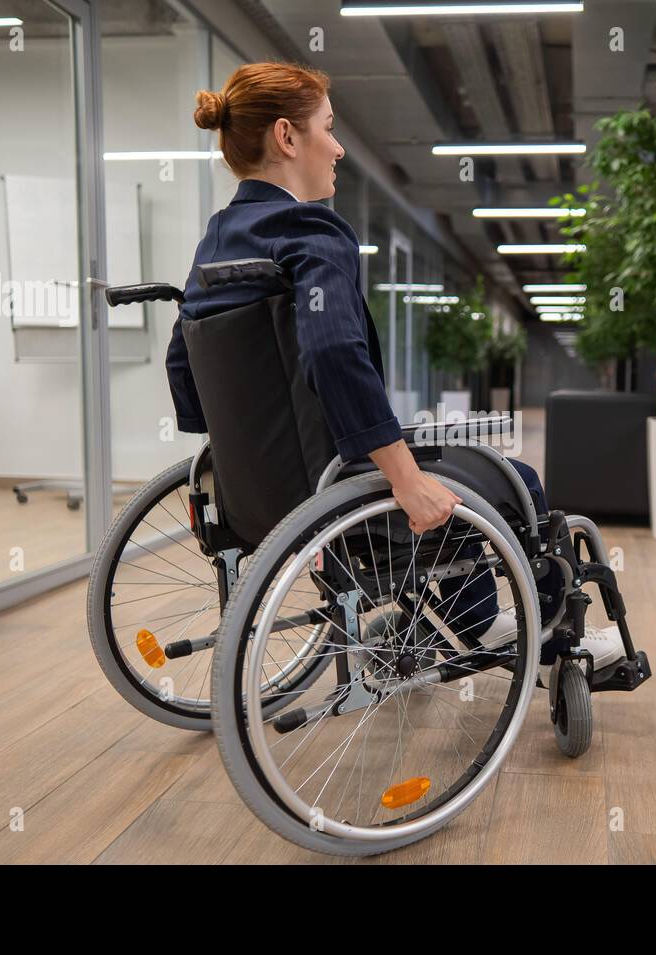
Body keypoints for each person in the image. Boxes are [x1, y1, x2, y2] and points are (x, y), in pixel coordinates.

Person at [165, 61, 623, 669]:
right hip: (334, 484)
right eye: (327, 128)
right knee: (514, 479)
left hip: (255, 496)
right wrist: (405, 480)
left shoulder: (217, 241)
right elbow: (332, 352)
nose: (339, 146)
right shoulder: (312, 231)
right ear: (286, 137)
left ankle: (470, 615)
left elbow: (182, 358)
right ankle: (529, 631)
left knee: (447, 464)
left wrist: (231, 442)